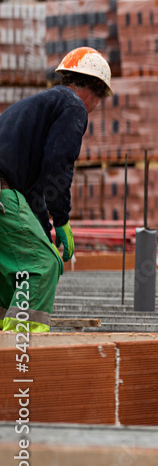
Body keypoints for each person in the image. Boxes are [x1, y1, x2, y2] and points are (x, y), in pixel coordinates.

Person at [0, 47, 115, 331]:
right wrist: (61, 220)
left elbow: (32, 192)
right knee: (43, 265)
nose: (95, 107)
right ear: (94, 89)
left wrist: (45, 229)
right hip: (3, 193)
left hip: (7, 193)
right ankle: (22, 350)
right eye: (99, 99)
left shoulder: (42, 107)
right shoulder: (72, 105)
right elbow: (58, 165)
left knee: (11, 273)